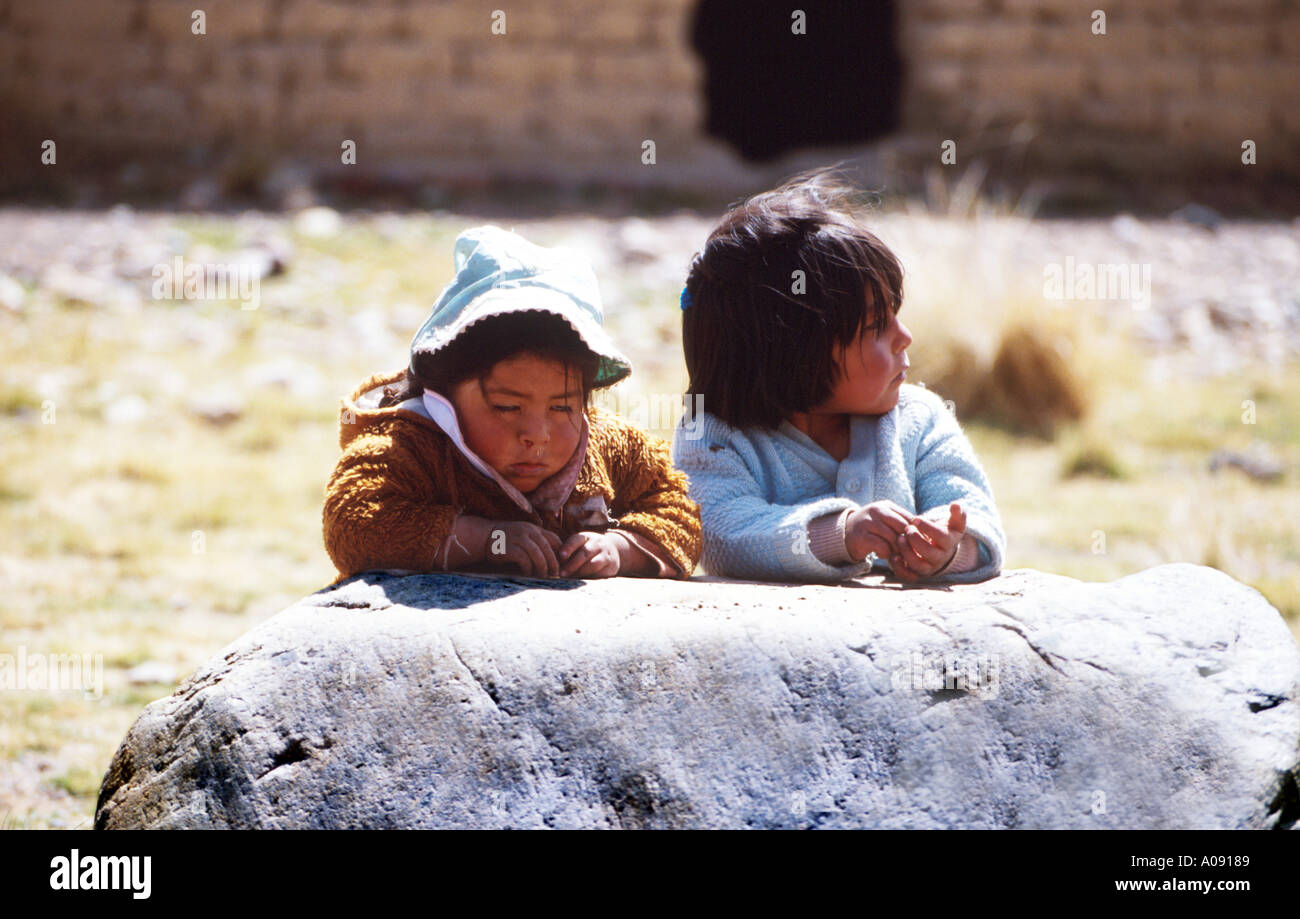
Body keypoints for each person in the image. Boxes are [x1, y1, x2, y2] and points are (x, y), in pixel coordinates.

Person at [671, 172, 1005, 583]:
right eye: (877, 327)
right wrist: (841, 533)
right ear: (795, 352)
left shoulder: (920, 420)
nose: (905, 338)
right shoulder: (716, 436)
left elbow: (976, 517)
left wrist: (948, 547)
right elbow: (721, 534)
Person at [323, 225, 702, 583]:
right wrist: (485, 539)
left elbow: (679, 511)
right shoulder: (408, 445)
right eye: (507, 407)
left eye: (562, 407)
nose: (536, 436)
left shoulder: (608, 445)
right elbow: (352, 521)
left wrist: (621, 548)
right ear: (445, 393)